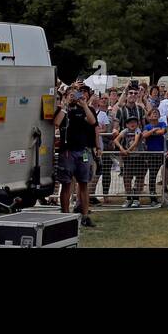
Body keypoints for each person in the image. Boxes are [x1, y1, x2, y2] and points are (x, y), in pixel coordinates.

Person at [53, 80, 97, 226]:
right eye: (75, 92)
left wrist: (84, 104)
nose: (77, 95)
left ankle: (84, 216)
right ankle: (65, 217)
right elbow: (57, 123)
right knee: (66, 184)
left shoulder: (86, 108)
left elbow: (92, 122)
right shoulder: (64, 109)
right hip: (67, 151)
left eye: (81, 92)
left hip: (83, 151)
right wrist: (65, 105)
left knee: (83, 184)